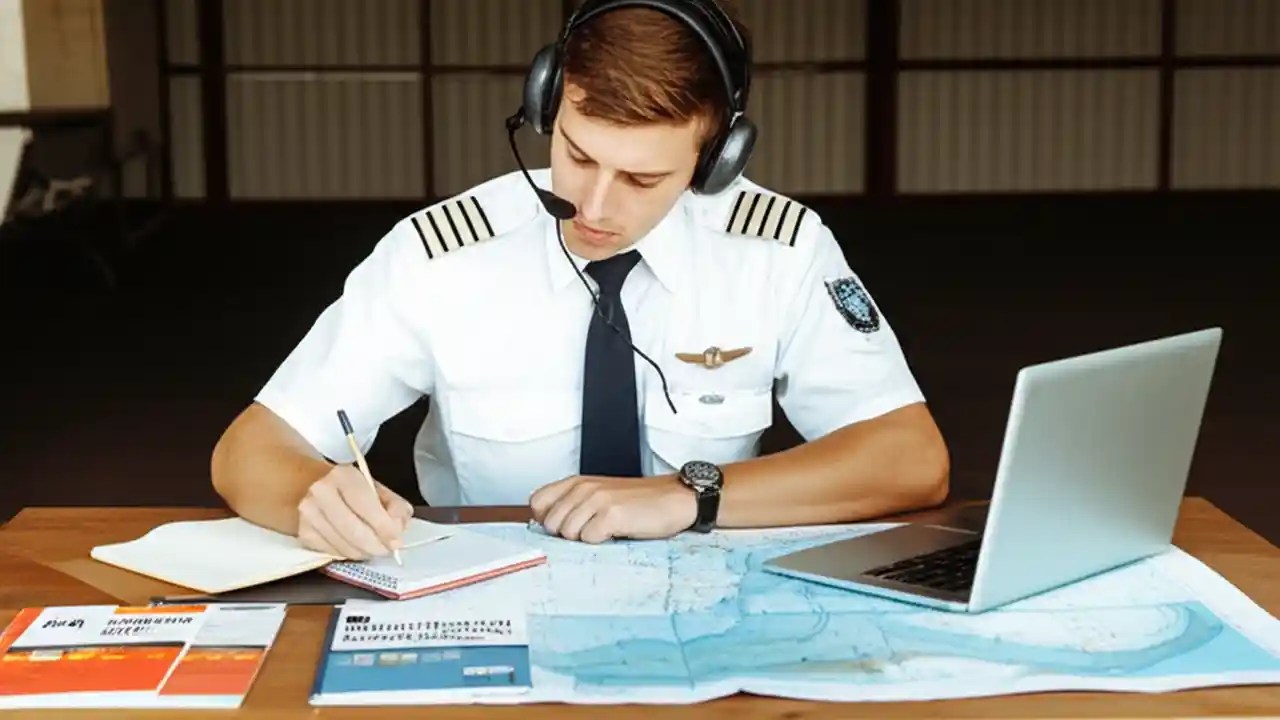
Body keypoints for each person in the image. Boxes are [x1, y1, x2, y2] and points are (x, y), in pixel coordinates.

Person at [210, 0, 949, 558]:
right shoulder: (439, 255)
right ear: (546, 105)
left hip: (703, 591)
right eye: (577, 154)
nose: (593, 207)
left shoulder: (777, 249)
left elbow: (911, 459)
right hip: (493, 591)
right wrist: (312, 495)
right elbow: (249, 450)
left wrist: (688, 496)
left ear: (716, 160)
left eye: (642, 178)